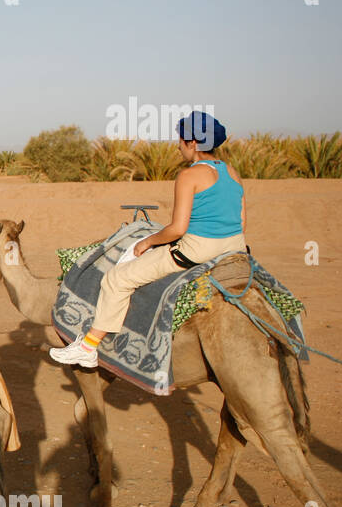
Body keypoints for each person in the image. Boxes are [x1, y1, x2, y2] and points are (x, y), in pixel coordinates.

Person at [50, 112, 245, 368]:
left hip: (197, 251)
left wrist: (148, 242)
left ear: (193, 144)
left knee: (117, 279)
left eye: (181, 140)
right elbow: (240, 221)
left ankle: (88, 347)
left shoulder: (189, 176)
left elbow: (177, 229)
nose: (178, 146)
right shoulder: (232, 172)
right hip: (235, 248)